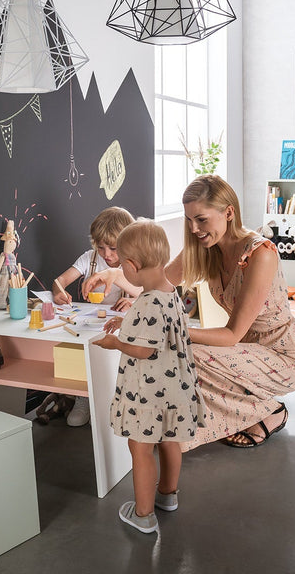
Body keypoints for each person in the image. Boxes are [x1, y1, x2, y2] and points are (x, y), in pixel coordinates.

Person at [86, 175, 295, 450]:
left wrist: (170, 332)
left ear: (229, 213)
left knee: (180, 353)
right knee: (171, 354)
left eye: (201, 219)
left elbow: (231, 335)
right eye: (188, 220)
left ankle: (268, 410)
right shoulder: (205, 248)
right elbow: (159, 282)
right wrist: (114, 274)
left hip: (282, 356)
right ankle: (182, 427)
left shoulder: (260, 253)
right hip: (245, 350)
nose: (193, 228)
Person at [92, 219, 205, 534]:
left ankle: (142, 514)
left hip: (147, 394)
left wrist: (115, 342)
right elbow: (159, 331)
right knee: (170, 441)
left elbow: (142, 351)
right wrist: (124, 324)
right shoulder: (169, 292)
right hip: (175, 389)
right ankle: (167, 496)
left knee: (140, 448)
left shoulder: (146, 301)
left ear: (130, 265)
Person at [50, 206, 140, 426]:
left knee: (117, 367)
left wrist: (133, 300)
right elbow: (59, 281)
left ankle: (114, 403)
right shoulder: (90, 259)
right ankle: (84, 400)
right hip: (93, 322)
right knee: (84, 356)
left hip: (124, 326)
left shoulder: (136, 261)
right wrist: (58, 292)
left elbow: (149, 292)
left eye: (113, 248)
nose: (107, 255)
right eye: (101, 248)